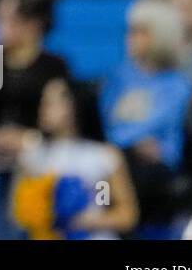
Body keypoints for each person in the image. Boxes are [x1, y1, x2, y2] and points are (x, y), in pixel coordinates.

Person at [0, 0, 69, 239]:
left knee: (28, 182)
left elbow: (60, 114)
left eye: (7, 20)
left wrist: (30, 137)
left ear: (31, 25)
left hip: (36, 147)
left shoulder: (52, 66)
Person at [100, 0, 192, 226]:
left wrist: (124, 140)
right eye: (130, 31)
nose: (131, 38)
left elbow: (159, 124)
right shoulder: (118, 77)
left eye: (141, 32)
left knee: (129, 176)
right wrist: (123, 142)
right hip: (117, 157)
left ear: (162, 35)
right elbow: (105, 122)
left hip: (156, 162)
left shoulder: (176, 84)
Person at [12, 78, 139, 239]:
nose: (42, 109)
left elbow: (125, 214)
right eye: (42, 103)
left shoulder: (101, 157)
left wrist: (90, 220)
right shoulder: (33, 155)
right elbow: (18, 212)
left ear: (74, 107)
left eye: (50, 104)